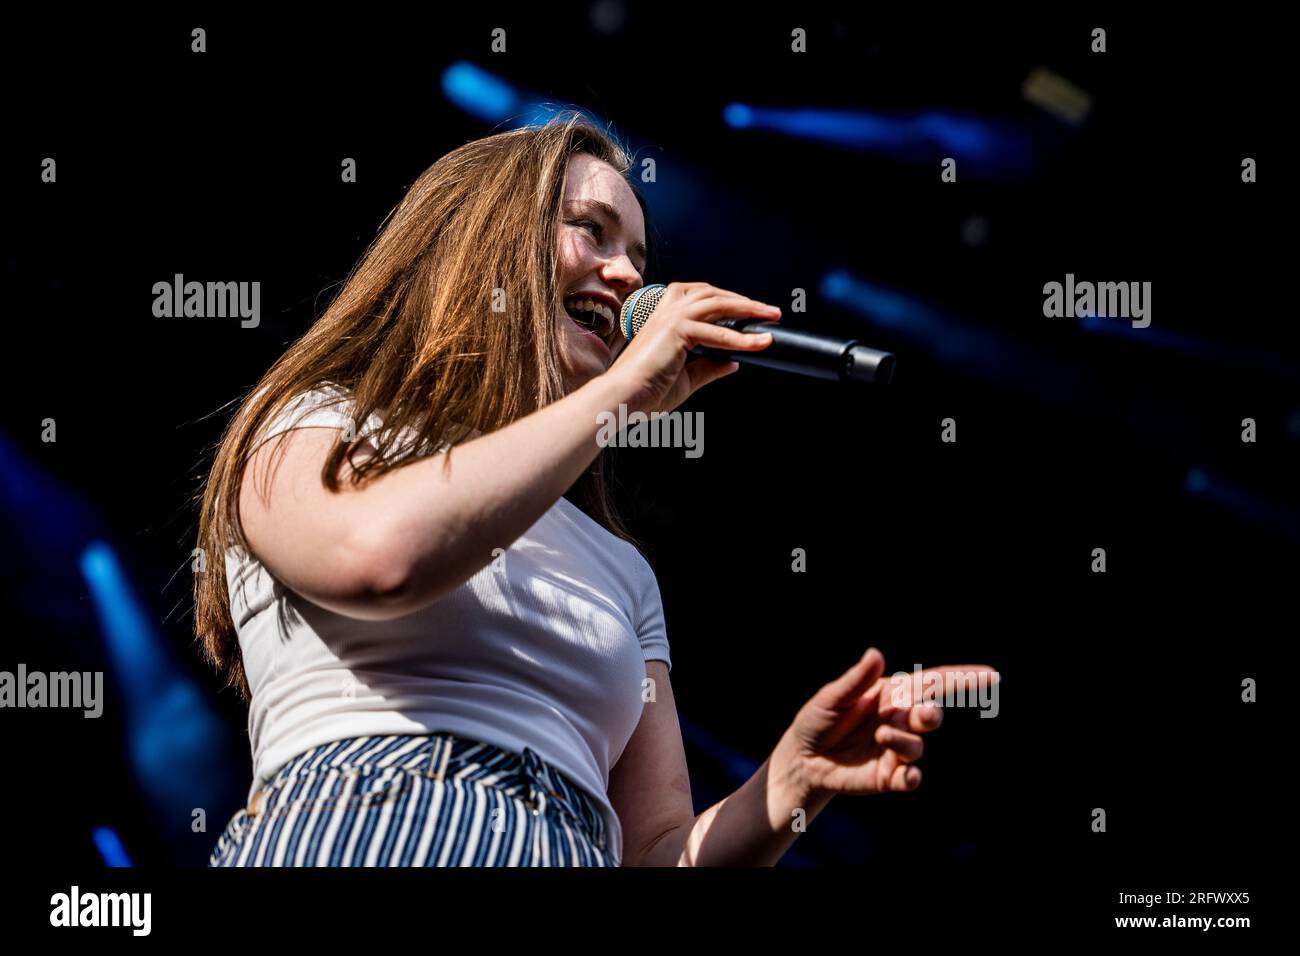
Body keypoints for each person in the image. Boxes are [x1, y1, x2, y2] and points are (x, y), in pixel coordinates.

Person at [195, 111, 991, 866]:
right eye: (592, 232)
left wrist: (791, 783)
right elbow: (378, 559)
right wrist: (624, 398)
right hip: (372, 820)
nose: (626, 277)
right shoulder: (317, 426)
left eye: (641, 260)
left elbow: (654, 852)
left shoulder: (622, 571)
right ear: (482, 245)